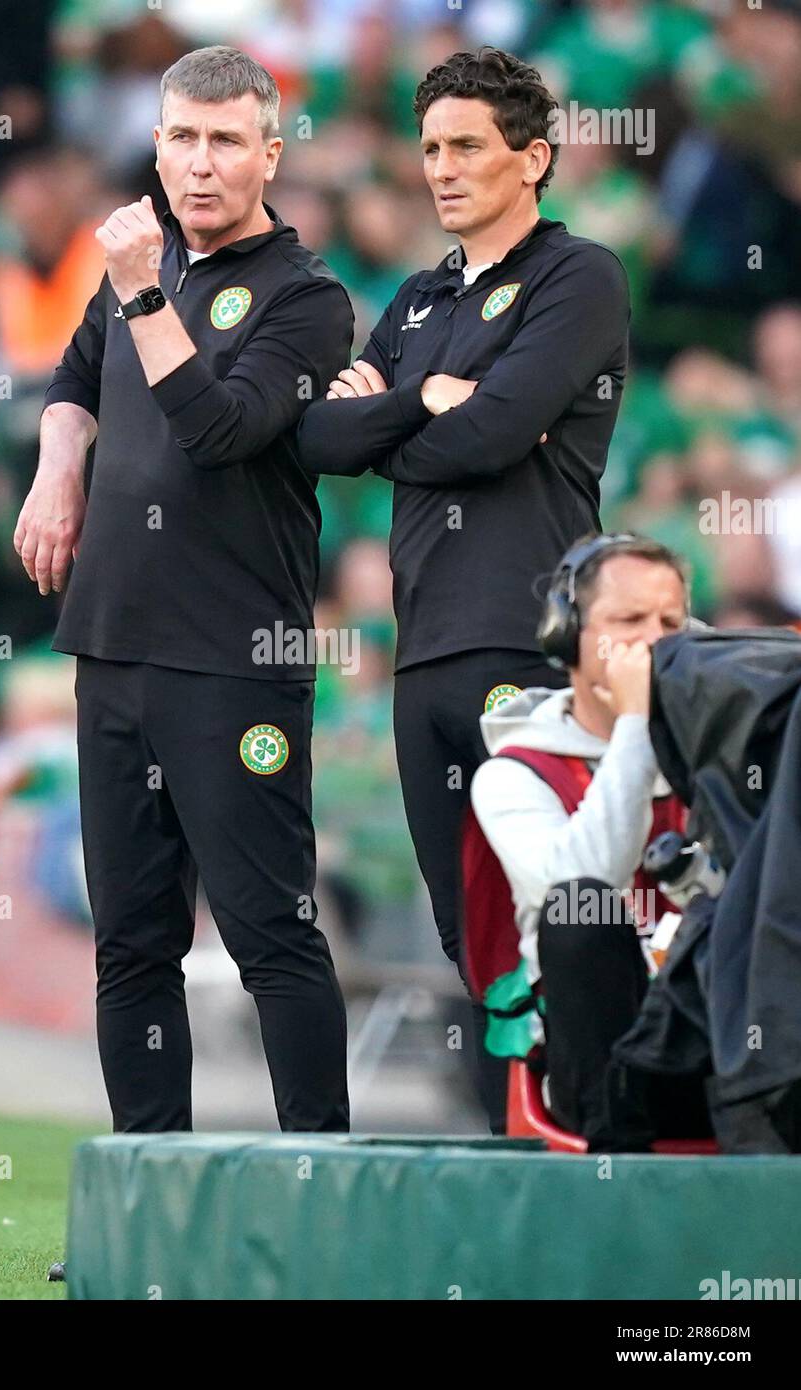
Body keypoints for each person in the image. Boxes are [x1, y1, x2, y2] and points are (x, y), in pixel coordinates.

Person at [14, 46, 354, 1173]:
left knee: (269, 934)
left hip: (231, 661)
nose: (199, 165)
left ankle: (323, 1182)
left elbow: (218, 430)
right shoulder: (136, 277)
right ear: (155, 146)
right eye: (179, 140)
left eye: (223, 141)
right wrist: (57, 469)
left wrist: (144, 293)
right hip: (111, 645)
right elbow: (71, 384)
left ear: (270, 151)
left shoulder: (309, 301)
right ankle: (150, 1186)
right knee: (133, 946)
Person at [297, 47, 631, 1129]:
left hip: (525, 649)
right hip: (424, 652)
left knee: (553, 921)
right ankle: (511, 1156)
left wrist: (410, 408)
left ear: (533, 159)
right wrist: (426, 401)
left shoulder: (577, 277)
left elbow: (491, 435)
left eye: (468, 147)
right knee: (466, 932)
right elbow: (323, 436)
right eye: (431, 146)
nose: (441, 168)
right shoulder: (421, 293)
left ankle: (593, 1148)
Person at [468, 533, 710, 1149]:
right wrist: (635, 725)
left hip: (720, 1053)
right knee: (580, 906)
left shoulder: (717, 762)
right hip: (603, 1071)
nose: (655, 641)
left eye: (672, 623)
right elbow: (583, 883)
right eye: (630, 620)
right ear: (567, 632)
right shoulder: (513, 775)